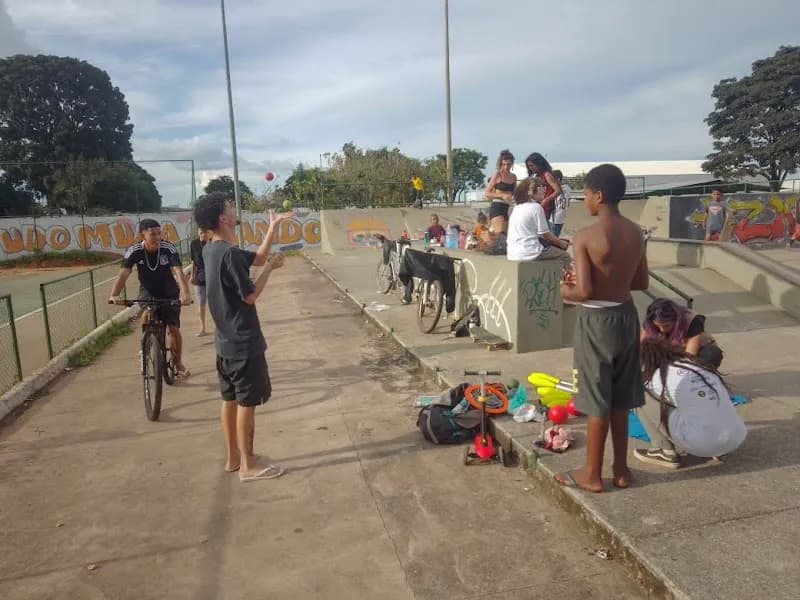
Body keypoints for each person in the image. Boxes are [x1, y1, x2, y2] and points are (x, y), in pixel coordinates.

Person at [557, 164, 649, 493]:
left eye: (587, 195)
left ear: (599, 195)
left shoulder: (585, 236)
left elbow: (581, 292)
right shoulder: (636, 233)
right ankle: (621, 470)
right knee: (621, 400)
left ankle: (592, 475)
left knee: (596, 398)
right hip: (626, 316)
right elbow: (641, 281)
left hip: (595, 321)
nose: (586, 202)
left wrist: (561, 289)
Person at [194, 192, 294, 482]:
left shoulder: (211, 251)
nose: (233, 209)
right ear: (223, 219)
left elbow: (259, 256)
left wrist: (273, 226)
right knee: (246, 404)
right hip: (243, 342)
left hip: (224, 344)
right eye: (229, 207)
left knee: (230, 400)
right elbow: (250, 296)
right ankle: (248, 466)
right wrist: (271, 270)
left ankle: (234, 458)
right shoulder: (229, 254)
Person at [633, 338, 747, 468]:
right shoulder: (700, 367)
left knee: (639, 394)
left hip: (702, 444)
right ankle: (717, 449)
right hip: (735, 438)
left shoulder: (658, 376)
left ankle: (664, 450)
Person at [109, 218, 192, 377]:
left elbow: (178, 272)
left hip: (169, 291)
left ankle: (177, 362)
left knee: (174, 329)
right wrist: (114, 294)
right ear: (143, 235)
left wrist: (186, 295)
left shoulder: (168, 248)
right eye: (152, 234)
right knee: (147, 312)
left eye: (159, 233)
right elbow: (123, 274)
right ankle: (145, 345)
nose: (157, 237)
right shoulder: (134, 251)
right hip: (148, 290)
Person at [641, 298, 723, 369]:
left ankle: (703, 378)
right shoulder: (649, 323)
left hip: (694, 350)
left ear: (676, 320)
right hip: (669, 350)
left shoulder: (692, 320)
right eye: (657, 326)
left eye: (666, 325)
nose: (662, 330)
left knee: (711, 354)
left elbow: (690, 355)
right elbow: (642, 346)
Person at [506, 178, 570, 263]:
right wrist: (561, 243)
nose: (545, 189)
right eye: (542, 187)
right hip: (530, 253)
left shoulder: (516, 208)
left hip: (512, 254)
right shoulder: (536, 207)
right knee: (564, 256)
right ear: (532, 191)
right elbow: (545, 235)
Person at [484, 150, 517, 234]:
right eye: (504, 164)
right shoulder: (498, 175)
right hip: (497, 206)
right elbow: (487, 193)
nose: (506, 167)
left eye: (508, 164)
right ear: (500, 164)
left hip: (509, 208)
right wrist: (502, 195)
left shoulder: (514, 177)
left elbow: (514, 193)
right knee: (500, 234)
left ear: (512, 164)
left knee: (507, 235)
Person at [525, 152, 562, 223]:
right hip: (537, 206)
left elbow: (558, 190)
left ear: (538, 164)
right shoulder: (535, 176)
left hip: (546, 208)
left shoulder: (546, 175)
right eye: (529, 166)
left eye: (532, 165)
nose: (530, 168)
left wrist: (546, 200)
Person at [190, 228, 209, 336]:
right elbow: (193, 261)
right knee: (201, 302)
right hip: (199, 276)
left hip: (211, 275)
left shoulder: (212, 243)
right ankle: (202, 327)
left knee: (215, 302)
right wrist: (192, 275)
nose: (203, 234)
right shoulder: (194, 244)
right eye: (201, 232)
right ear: (198, 232)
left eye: (204, 232)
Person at [550, 170, 572, 237]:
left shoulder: (558, 188)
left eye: (552, 180)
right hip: (559, 217)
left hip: (554, 217)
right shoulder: (567, 188)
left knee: (552, 239)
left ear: (558, 179)